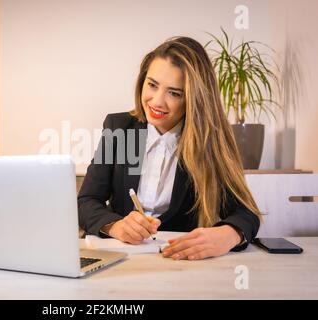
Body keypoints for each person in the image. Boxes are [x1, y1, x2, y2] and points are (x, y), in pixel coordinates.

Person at [77, 36, 262, 260]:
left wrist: (229, 234)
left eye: (174, 93)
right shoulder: (120, 127)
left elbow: (246, 213)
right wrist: (114, 226)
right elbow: (86, 201)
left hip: (182, 264)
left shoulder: (209, 140)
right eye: (152, 85)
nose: (156, 102)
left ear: (194, 99)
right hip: (122, 261)